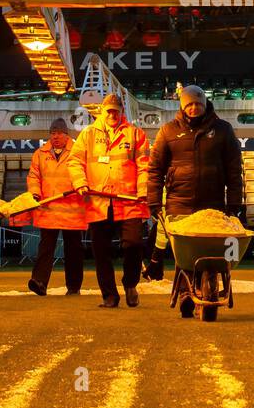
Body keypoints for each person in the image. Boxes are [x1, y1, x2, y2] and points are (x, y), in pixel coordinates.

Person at [146, 85, 243, 314]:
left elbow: (234, 170)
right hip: (179, 202)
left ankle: (205, 286)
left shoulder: (223, 130)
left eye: (197, 104)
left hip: (213, 203)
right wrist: (153, 201)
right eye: (189, 104)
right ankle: (185, 293)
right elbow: (155, 169)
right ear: (182, 106)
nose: (193, 109)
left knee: (209, 251)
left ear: (205, 104)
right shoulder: (168, 131)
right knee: (185, 254)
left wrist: (235, 203)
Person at [69, 93, 150, 308]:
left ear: (121, 111)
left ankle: (130, 283)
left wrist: (143, 191)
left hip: (130, 201)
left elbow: (144, 166)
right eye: (109, 111)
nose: (112, 114)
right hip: (98, 202)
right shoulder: (87, 134)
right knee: (101, 253)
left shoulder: (135, 134)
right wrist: (80, 182)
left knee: (133, 245)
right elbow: (75, 161)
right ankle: (109, 296)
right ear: (102, 112)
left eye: (116, 110)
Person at [25, 117, 85, 296]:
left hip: (72, 209)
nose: (55, 136)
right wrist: (35, 192)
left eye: (59, 133)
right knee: (45, 248)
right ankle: (39, 282)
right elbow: (34, 176)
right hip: (48, 208)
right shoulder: (40, 154)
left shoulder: (78, 152)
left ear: (67, 135)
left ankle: (74, 287)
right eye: (52, 133)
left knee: (73, 249)